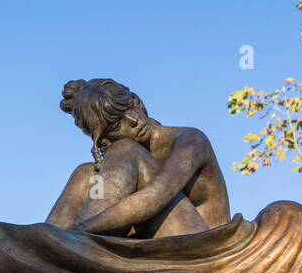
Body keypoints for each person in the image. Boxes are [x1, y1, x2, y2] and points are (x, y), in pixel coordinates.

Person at [46, 78, 231, 238]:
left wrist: (82, 229)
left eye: (129, 108)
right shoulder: (127, 158)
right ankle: (50, 242)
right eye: (117, 124)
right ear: (103, 138)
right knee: (87, 173)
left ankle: (76, 244)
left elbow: (156, 196)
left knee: (126, 149)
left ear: (136, 101)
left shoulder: (191, 141)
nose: (133, 121)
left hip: (202, 244)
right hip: (155, 242)